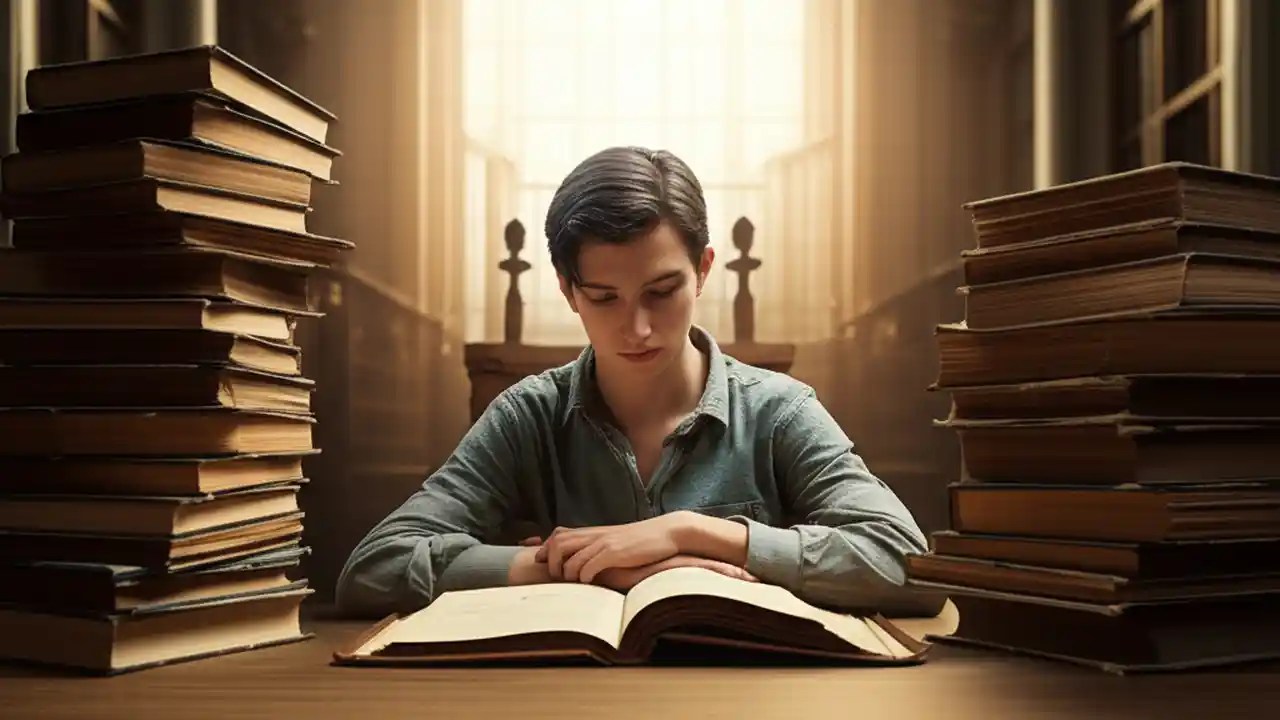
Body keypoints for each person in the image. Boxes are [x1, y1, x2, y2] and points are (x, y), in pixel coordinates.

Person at [336, 146, 941, 618]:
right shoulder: (527, 416)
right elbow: (372, 569)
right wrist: (586, 567)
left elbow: (915, 569)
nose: (639, 328)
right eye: (604, 298)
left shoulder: (777, 411)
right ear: (568, 289)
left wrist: (689, 534)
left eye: (662, 291)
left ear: (703, 270)